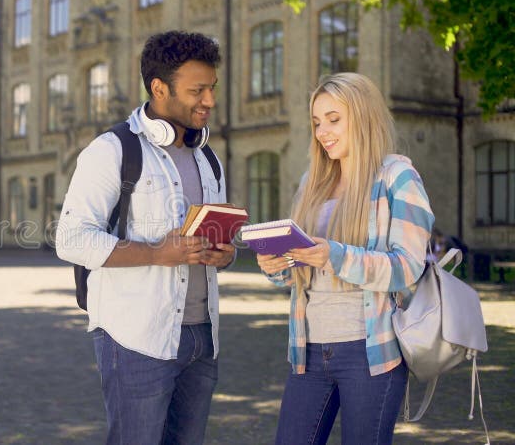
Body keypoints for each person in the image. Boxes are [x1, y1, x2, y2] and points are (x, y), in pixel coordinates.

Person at [55, 31, 235, 444]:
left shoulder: (208, 157)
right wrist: (158, 252)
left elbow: (209, 238)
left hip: (202, 336)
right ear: (159, 88)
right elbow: (72, 240)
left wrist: (222, 254)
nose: (209, 100)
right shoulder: (111, 150)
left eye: (212, 88)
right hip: (135, 338)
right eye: (197, 90)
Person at [256, 73, 434, 444]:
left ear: (363, 116)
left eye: (334, 119)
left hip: (370, 354)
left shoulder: (397, 177)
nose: (323, 131)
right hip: (307, 350)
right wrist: (278, 267)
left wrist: (333, 255)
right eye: (317, 122)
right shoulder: (311, 181)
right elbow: (301, 270)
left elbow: (407, 267)